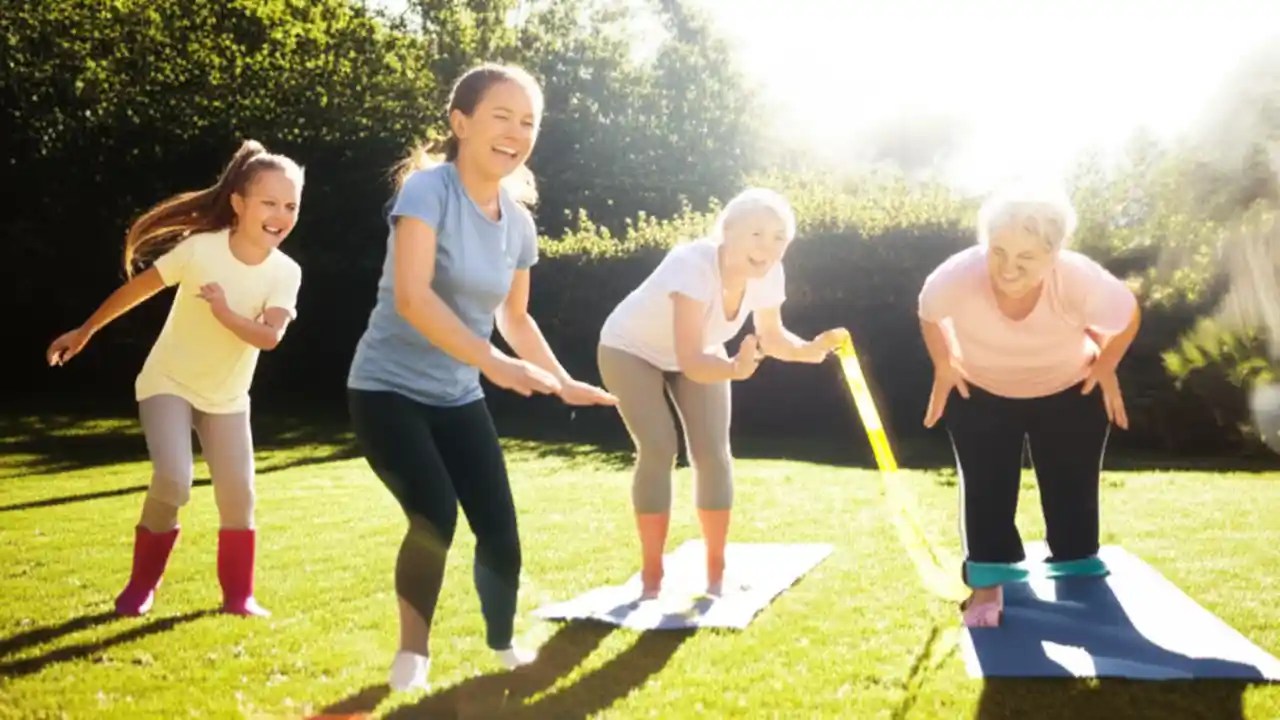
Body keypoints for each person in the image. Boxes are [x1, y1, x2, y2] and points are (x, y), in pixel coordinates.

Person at [346, 62, 617, 692]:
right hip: (386, 389)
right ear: (460, 123)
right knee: (433, 511)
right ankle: (413, 652)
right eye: (502, 116)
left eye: (529, 122)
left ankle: (501, 643)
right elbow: (413, 298)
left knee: (498, 522)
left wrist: (560, 379)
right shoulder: (426, 192)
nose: (516, 131)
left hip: (456, 393)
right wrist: (492, 362)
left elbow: (515, 317)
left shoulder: (519, 223)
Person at [46, 139, 305, 618]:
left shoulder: (285, 272)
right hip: (168, 382)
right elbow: (136, 292)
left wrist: (225, 311)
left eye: (291, 205)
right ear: (239, 203)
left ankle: (238, 597)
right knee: (173, 479)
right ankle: (141, 586)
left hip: (227, 398)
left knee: (239, 498)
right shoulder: (200, 250)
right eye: (269, 202)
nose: (280, 214)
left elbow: (269, 338)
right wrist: (85, 331)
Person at [596, 188, 848, 600]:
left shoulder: (768, 273)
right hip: (630, 350)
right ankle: (652, 577)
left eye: (779, 238)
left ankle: (716, 575)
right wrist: (734, 368)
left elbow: (772, 336)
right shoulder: (692, 266)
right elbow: (690, 358)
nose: (768, 247)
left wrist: (808, 350)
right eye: (757, 234)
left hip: (702, 350)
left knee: (714, 453)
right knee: (659, 447)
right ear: (727, 231)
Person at [916, 181, 1140, 628]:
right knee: (986, 486)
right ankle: (988, 582)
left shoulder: (1078, 279)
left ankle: (1076, 562)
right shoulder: (956, 277)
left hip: (1069, 390)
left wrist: (1106, 364)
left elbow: (1128, 314)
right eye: (998, 252)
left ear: (1053, 254)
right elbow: (928, 312)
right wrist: (944, 365)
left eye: (1026, 258)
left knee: (1071, 482)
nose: (1008, 269)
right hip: (979, 391)